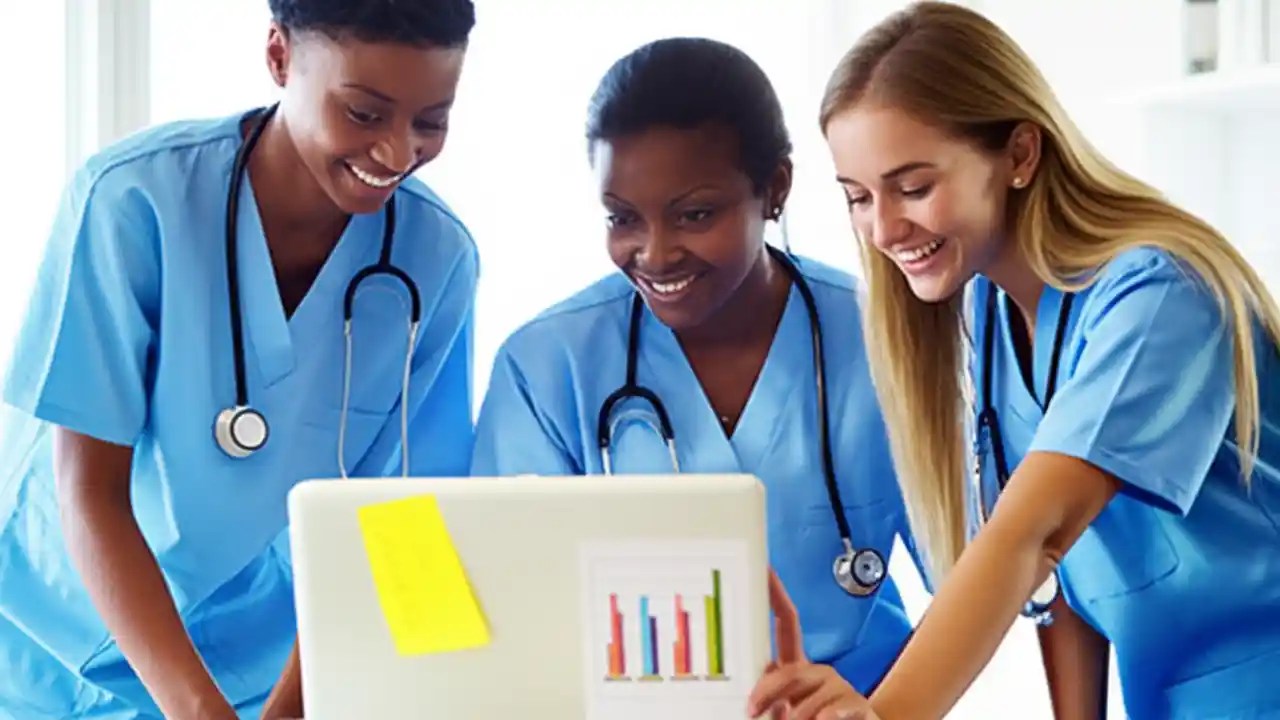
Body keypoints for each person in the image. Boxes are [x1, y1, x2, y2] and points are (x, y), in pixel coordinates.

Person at [747, 2, 1280, 719]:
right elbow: (1065, 579)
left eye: (913, 187)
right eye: (858, 198)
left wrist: (885, 714)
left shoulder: (1160, 296)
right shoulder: (991, 316)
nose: (883, 228)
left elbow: (1036, 533)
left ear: (1021, 155)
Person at [0, 1, 479, 717]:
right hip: (41, 640)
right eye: (364, 114)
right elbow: (88, 490)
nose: (397, 153)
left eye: (431, 121)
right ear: (281, 57)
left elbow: (393, 519)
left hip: (259, 661)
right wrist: (196, 710)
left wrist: (285, 709)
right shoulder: (132, 201)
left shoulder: (436, 263)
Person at [470, 36, 928, 694]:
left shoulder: (883, 338)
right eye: (623, 218)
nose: (654, 255)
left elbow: (977, 576)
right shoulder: (548, 365)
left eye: (695, 214)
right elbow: (509, 607)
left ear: (774, 189)